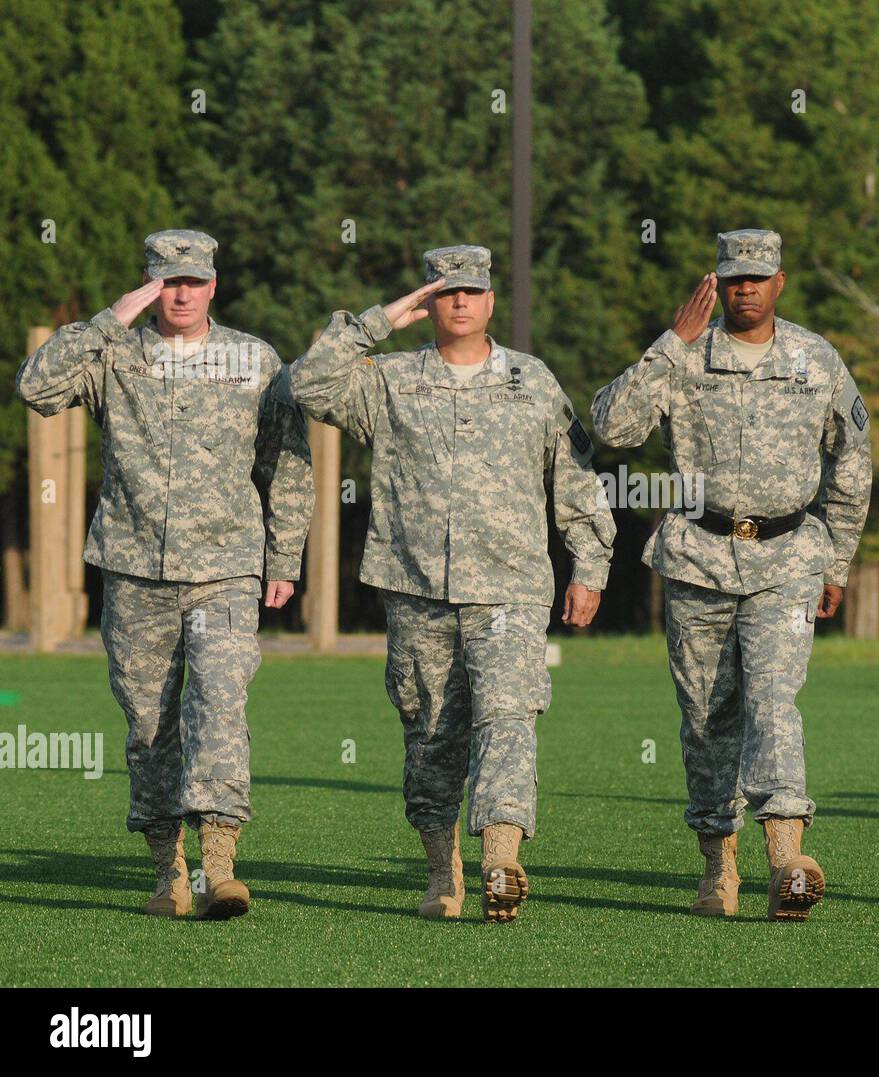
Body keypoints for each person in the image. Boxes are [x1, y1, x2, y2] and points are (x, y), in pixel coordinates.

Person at [288, 245, 614, 922]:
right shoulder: (390, 380)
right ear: (429, 303)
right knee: (430, 732)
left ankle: (501, 859)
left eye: (471, 292)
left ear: (492, 301)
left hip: (511, 586)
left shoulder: (533, 380)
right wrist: (378, 320)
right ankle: (443, 874)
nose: (459, 302)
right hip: (415, 587)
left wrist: (591, 562)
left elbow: (576, 477)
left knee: (509, 716)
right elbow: (309, 386)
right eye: (444, 292)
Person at [16, 229, 314, 920]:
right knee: (149, 723)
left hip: (226, 567)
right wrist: (108, 319)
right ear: (147, 285)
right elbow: (36, 386)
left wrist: (285, 557)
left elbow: (287, 463)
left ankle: (220, 865)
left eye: (191, 280)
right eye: (164, 280)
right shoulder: (113, 352)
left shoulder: (254, 359)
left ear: (213, 285)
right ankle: (166, 870)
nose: (179, 292)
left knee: (219, 698)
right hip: (132, 565)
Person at [591, 229, 871, 922]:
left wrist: (837, 557)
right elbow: (611, 428)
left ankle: (786, 860)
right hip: (699, 556)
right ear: (716, 282)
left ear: (780, 283)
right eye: (733, 277)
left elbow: (854, 457)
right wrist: (668, 344)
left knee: (775, 697)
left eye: (757, 277)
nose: (744, 287)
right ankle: (719, 862)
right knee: (707, 716)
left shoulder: (816, 358)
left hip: (787, 557)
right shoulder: (685, 356)